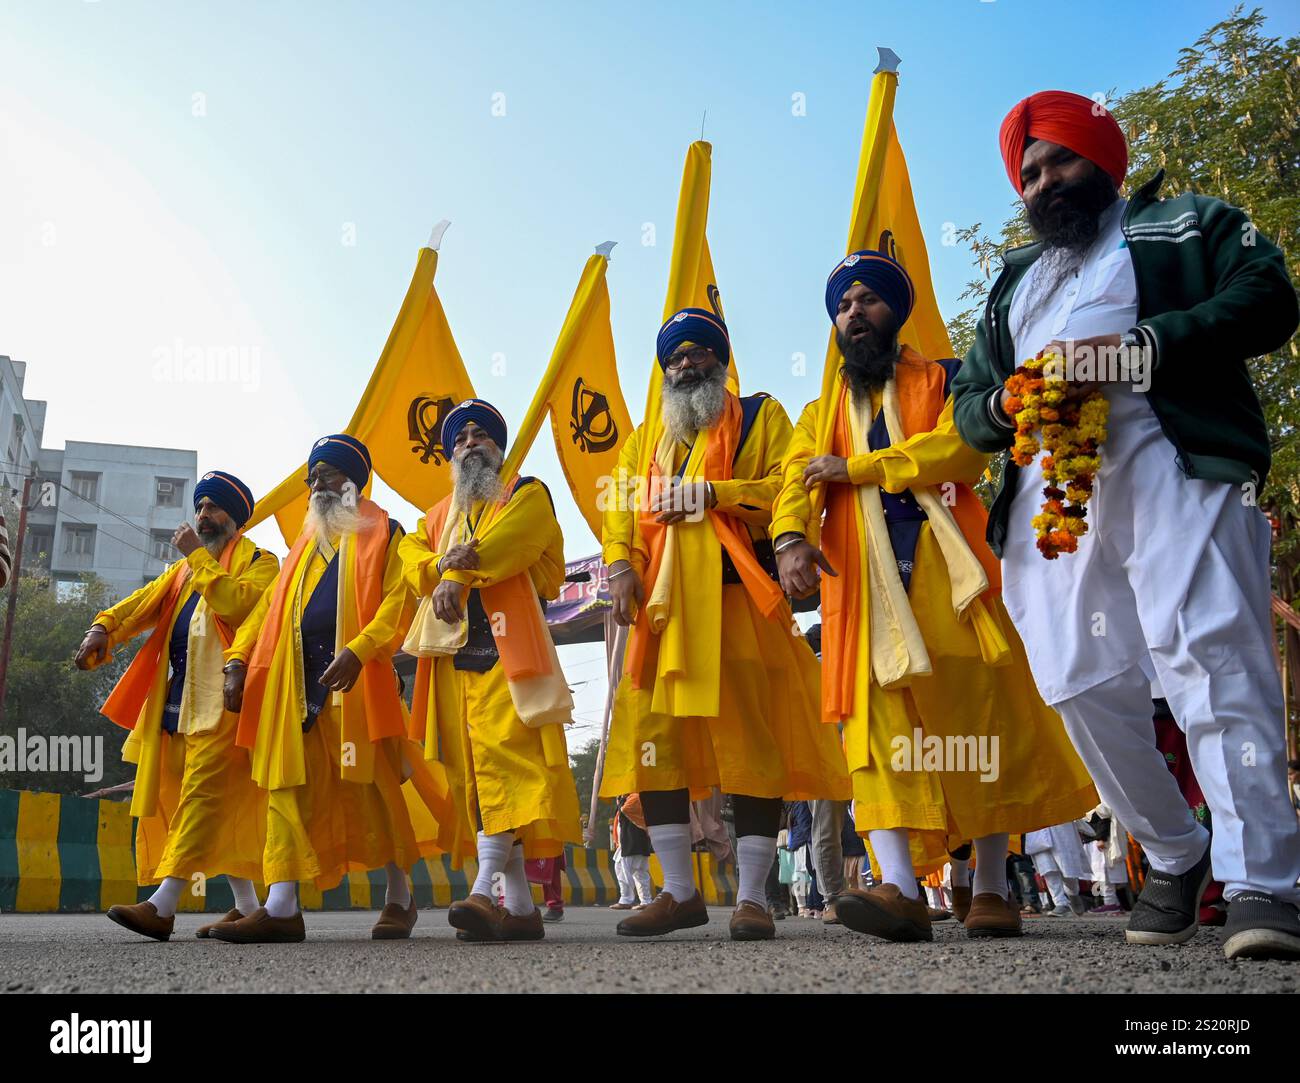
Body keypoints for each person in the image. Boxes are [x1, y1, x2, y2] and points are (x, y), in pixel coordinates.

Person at [951, 89, 1300, 959]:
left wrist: (1149, 346)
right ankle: (1177, 854)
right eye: (1029, 173)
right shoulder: (1013, 287)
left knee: (1208, 651)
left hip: (1171, 453)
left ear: (1103, 158)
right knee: (1074, 678)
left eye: (1061, 160)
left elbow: (1268, 296)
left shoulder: (1186, 223)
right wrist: (1001, 402)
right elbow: (966, 407)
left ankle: (1264, 879)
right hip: (1051, 483)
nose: (1045, 182)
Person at [774, 250, 1097, 944]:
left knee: (973, 722)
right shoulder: (819, 409)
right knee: (875, 730)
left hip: (951, 575)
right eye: (843, 305)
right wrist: (789, 539)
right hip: (858, 589)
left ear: (896, 312)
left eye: (867, 300)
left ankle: (988, 884)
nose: (853, 313)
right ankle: (897, 887)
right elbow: (796, 479)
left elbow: (961, 450)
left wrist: (861, 467)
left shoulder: (947, 379)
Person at [600, 308, 850, 942]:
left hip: (739, 601)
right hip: (663, 611)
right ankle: (679, 893)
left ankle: (752, 898)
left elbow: (785, 487)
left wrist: (713, 495)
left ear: (722, 360)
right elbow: (623, 514)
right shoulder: (643, 437)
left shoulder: (762, 416)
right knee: (659, 746)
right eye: (675, 357)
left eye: (699, 353)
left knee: (751, 745)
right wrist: (617, 568)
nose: (687, 364)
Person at [216, 435, 437, 943]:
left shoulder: (388, 532)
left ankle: (400, 897)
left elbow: (399, 603)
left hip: (357, 685)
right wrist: (236, 660)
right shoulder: (299, 550)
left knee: (377, 790)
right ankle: (282, 906)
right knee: (285, 788)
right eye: (312, 476)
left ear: (352, 482)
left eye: (327, 474)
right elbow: (267, 612)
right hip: (292, 688)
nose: (316, 484)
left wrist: (360, 648)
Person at [401, 400, 583, 943]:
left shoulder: (526, 494)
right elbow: (410, 560)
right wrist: (440, 566)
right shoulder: (437, 517)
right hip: (455, 667)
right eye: (459, 439)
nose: (469, 444)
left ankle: (483, 891)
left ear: (499, 449)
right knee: (480, 785)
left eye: (481, 436)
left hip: (513, 656)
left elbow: (517, 540)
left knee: (511, 773)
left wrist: (457, 575)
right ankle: (522, 910)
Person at [75, 472, 278, 941]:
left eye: (214, 507)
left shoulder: (261, 563)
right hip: (177, 702)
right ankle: (248, 906)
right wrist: (103, 627)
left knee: (202, 798)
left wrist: (195, 558)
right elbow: (142, 603)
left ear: (236, 517)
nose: (204, 516)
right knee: (206, 802)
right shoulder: (186, 571)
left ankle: (162, 905)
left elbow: (238, 606)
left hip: (229, 700)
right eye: (200, 507)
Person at [1025, 823, 1090, 917]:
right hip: (1037, 828)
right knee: (1048, 869)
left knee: (1068, 871)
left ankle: (1073, 893)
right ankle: (1060, 903)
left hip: (1060, 827)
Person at [610, 793, 653, 910]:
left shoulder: (635, 797)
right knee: (632, 871)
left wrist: (620, 800)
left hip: (633, 842)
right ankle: (640, 900)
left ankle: (631, 900)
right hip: (628, 843)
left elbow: (626, 810)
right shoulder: (629, 798)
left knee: (631, 871)